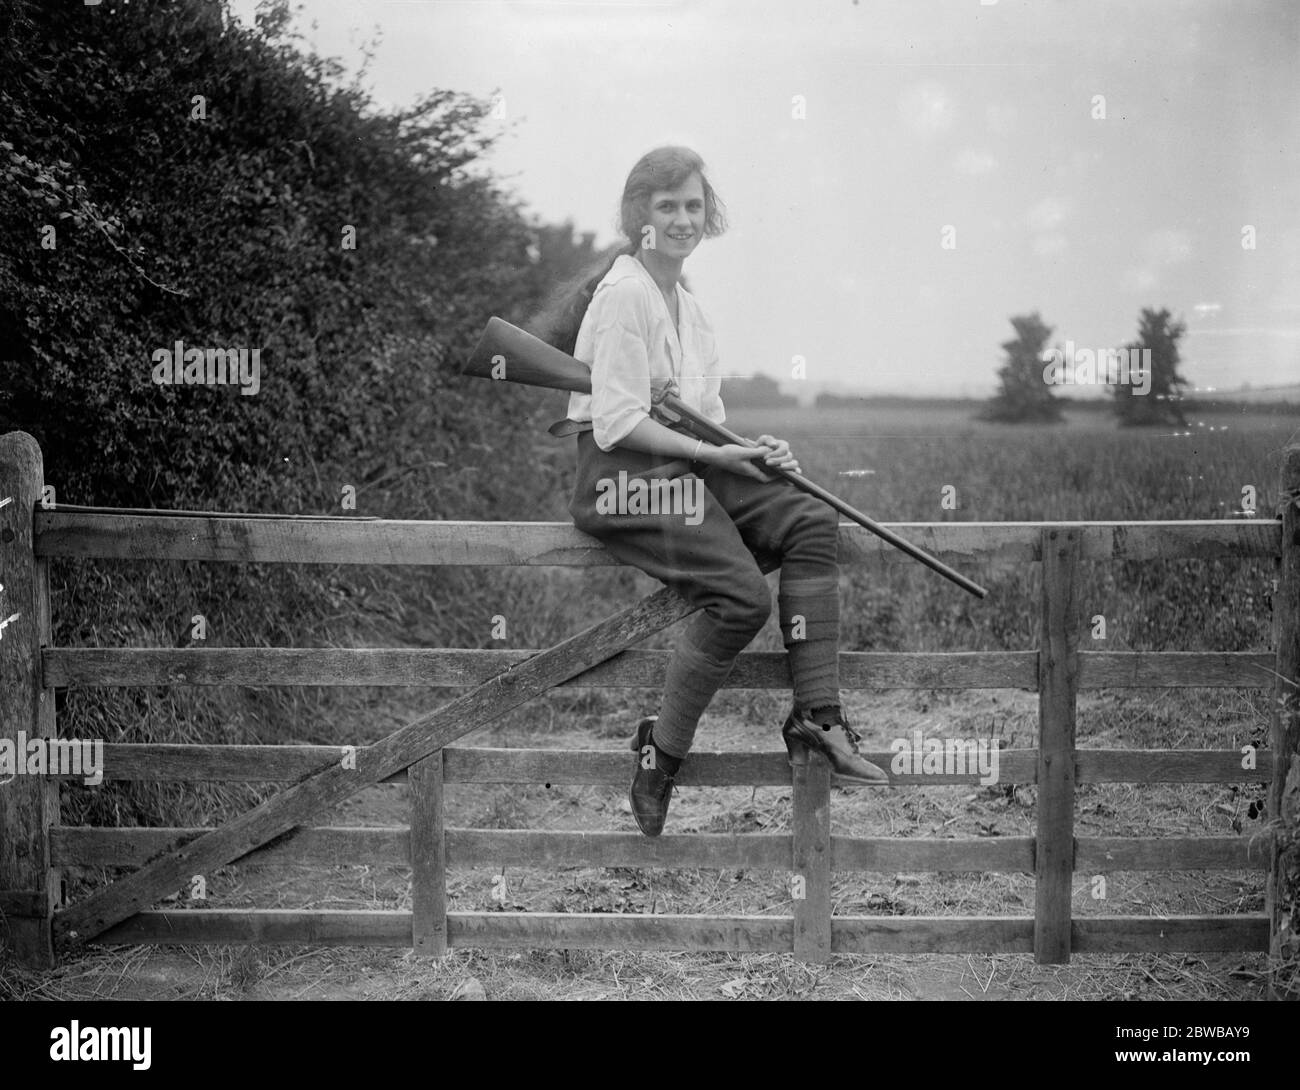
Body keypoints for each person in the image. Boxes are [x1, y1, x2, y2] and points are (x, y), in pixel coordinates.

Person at [535, 146, 888, 837]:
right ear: (639, 216)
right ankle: (660, 754)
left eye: (693, 205)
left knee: (811, 522)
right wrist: (711, 452)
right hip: (618, 483)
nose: (682, 219)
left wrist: (759, 455)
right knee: (741, 597)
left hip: (680, 468)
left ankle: (816, 715)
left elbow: (711, 425)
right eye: (666, 206)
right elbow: (614, 423)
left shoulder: (689, 311)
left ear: (708, 214)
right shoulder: (625, 293)